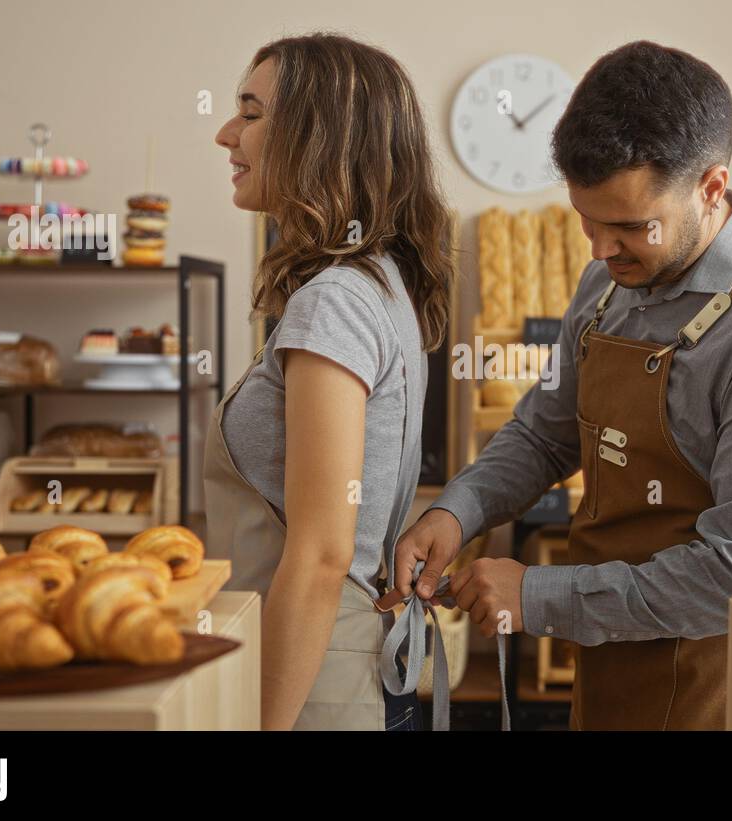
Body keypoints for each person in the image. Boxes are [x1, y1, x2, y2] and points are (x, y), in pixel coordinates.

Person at [394, 40, 732, 730]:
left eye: (628, 226)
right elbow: (544, 431)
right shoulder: (607, 287)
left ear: (711, 187)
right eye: (587, 221)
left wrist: (540, 596)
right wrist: (457, 511)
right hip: (612, 661)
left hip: (725, 686)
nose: (599, 250)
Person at [207, 33, 453, 730]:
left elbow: (320, 555)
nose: (227, 134)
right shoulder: (378, 284)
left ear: (321, 138)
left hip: (309, 685)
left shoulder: (336, 301)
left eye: (251, 114)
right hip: (330, 663)